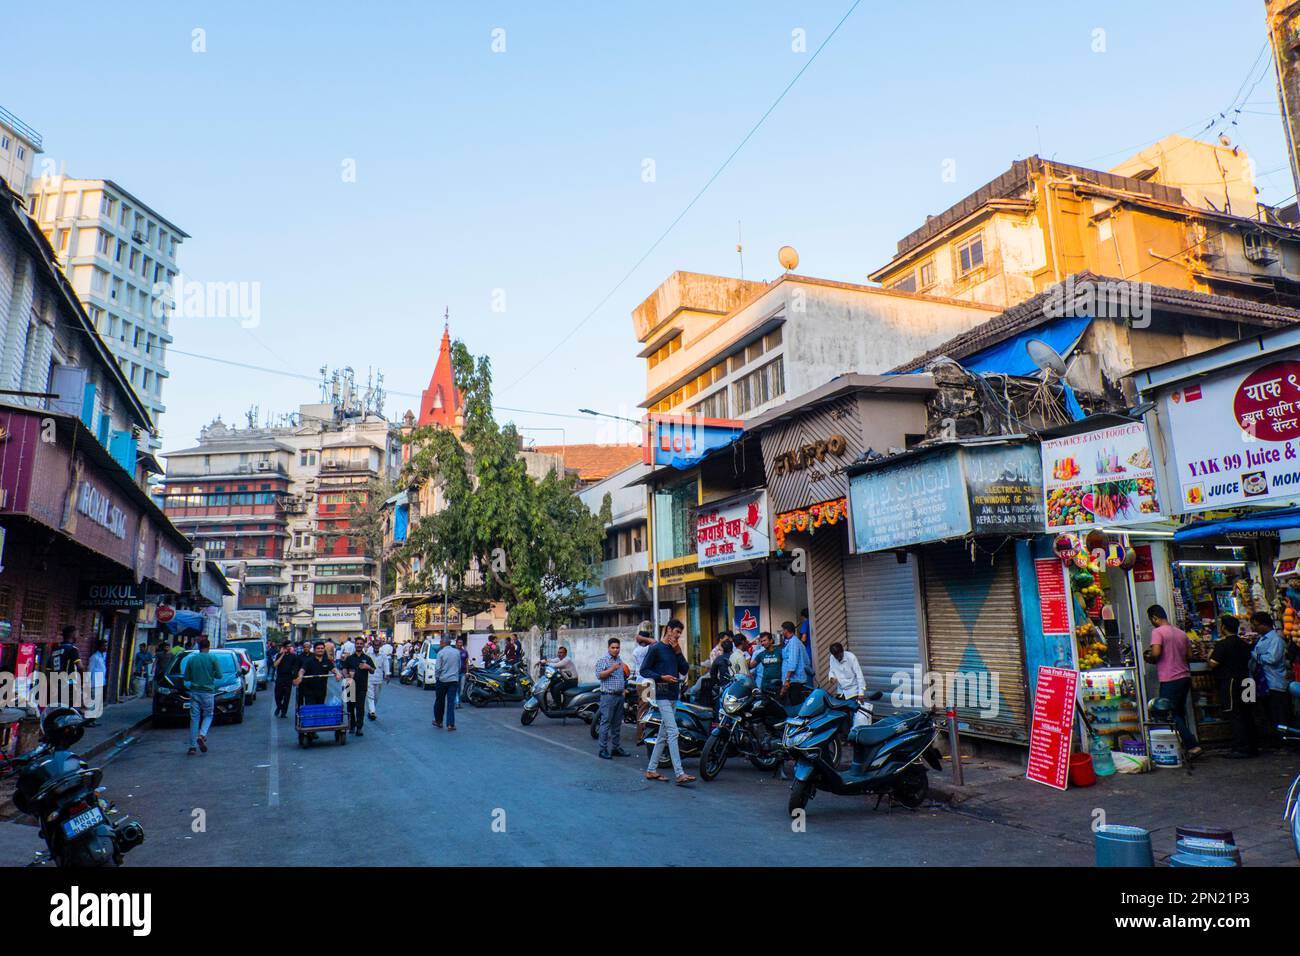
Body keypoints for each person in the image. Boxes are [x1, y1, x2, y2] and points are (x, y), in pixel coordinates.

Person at [640, 620, 693, 785]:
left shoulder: (675, 649)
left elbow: (684, 669)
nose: (677, 636)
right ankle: (679, 772)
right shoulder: (655, 648)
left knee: (663, 734)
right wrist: (661, 677)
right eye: (676, 631)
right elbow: (644, 670)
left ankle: (651, 769)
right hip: (661, 694)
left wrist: (678, 652)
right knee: (673, 732)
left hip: (673, 695)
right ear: (668, 630)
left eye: (679, 633)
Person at [1144, 605, 1201, 758]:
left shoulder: (1157, 632)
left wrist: (1148, 658)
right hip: (1184, 677)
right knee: (1179, 712)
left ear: (1154, 618)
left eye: (1151, 620)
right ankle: (1184, 745)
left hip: (1170, 679)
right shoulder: (1181, 633)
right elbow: (1189, 654)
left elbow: (1156, 653)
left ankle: (1192, 745)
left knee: (1169, 712)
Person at [1210, 614, 1257, 757]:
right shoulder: (1244, 644)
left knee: (1235, 714)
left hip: (1231, 683)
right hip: (1247, 681)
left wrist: (1209, 655)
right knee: (1247, 713)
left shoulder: (1223, 644)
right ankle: (1252, 745)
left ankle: (1240, 747)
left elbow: (1213, 663)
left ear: (1223, 627)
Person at [1250, 611, 1290, 745]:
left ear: (1264, 625)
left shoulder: (1276, 640)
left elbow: (1272, 658)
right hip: (1265, 683)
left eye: (1256, 625)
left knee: (1279, 715)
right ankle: (1277, 740)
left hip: (1275, 682)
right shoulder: (1262, 639)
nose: (1254, 628)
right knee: (1271, 714)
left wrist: (1257, 656)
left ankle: (1285, 742)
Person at [182, 638, 223, 756]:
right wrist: (211, 674)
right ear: (209, 647)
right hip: (208, 691)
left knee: (194, 718)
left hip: (194, 691)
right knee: (208, 715)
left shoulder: (192, 659)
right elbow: (219, 675)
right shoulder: (213, 658)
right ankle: (202, 734)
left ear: (198, 647)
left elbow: (186, 678)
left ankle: (192, 747)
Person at [594, 637, 630, 759]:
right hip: (608, 696)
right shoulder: (603, 660)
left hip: (619, 696)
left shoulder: (619, 660)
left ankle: (615, 747)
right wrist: (612, 669)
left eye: (617, 647)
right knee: (606, 723)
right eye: (613, 647)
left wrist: (623, 690)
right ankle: (602, 749)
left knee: (617, 724)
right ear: (608, 648)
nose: (615, 650)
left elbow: (620, 678)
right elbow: (599, 675)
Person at [827, 642, 868, 726]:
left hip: (853, 691)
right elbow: (831, 670)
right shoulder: (832, 658)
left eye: (839, 655)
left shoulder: (851, 657)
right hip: (841, 691)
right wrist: (831, 677)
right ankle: (844, 736)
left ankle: (853, 734)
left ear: (842, 652)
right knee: (842, 716)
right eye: (836, 656)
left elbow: (859, 675)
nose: (838, 658)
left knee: (853, 716)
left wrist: (861, 693)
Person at [341, 642, 375, 736]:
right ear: (355, 645)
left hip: (362, 686)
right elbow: (344, 669)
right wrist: (346, 675)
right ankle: (352, 725)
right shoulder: (350, 658)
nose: (359, 645)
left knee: (360, 708)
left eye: (361, 644)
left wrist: (368, 667)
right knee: (350, 707)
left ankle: (359, 727)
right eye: (357, 643)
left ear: (363, 645)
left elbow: (372, 671)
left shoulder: (367, 658)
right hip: (349, 684)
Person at [295, 641, 341, 707]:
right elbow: (302, 670)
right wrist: (300, 677)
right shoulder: (309, 661)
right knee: (311, 709)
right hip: (309, 691)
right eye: (318, 648)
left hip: (322, 690)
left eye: (322, 648)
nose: (320, 650)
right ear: (314, 650)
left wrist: (338, 673)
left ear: (324, 649)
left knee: (319, 709)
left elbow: (333, 669)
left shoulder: (327, 661)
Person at [631, 621, 656, 744]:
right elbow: (655, 643)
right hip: (645, 683)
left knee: (643, 707)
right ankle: (641, 735)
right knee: (644, 708)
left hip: (640, 682)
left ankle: (642, 733)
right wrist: (645, 638)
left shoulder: (637, 650)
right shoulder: (644, 650)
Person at [432, 634, 461, 730]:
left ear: (443, 643)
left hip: (442, 680)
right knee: (450, 703)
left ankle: (438, 721)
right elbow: (459, 666)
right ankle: (450, 724)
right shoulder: (457, 652)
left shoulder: (441, 653)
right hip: (453, 680)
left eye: (441, 642)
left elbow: (437, 668)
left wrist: (437, 678)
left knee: (439, 701)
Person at [780, 621, 812, 705]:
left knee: (796, 705)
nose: (782, 632)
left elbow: (792, 663)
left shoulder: (794, 642)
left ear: (786, 630)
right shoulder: (790, 642)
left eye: (783, 630)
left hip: (795, 681)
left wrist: (787, 679)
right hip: (793, 681)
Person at [84, 639, 108, 726]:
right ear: (99, 646)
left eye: (106, 645)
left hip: (100, 682)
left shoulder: (103, 656)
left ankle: (93, 720)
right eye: (104, 646)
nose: (105, 647)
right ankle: (88, 721)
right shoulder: (94, 657)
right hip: (94, 683)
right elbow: (90, 669)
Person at [272, 640, 298, 718]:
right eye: (287, 646)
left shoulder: (293, 656)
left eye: (290, 646)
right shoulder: (279, 655)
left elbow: (295, 668)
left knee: (287, 696)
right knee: (278, 695)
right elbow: (275, 665)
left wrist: (294, 678)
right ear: (284, 647)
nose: (289, 648)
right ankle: (279, 706)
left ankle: (284, 712)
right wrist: (282, 654)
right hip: (280, 677)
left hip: (288, 678)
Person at [368, 643, 390, 719]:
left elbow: (386, 664)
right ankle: (372, 711)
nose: (376, 647)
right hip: (370, 677)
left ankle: (371, 709)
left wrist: (387, 674)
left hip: (379, 678)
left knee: (376, 696)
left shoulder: (383, 654)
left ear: (379, 646)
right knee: (370, 695)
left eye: (378, 645)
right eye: (375, 645)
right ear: (373, 646)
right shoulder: (369, 653)